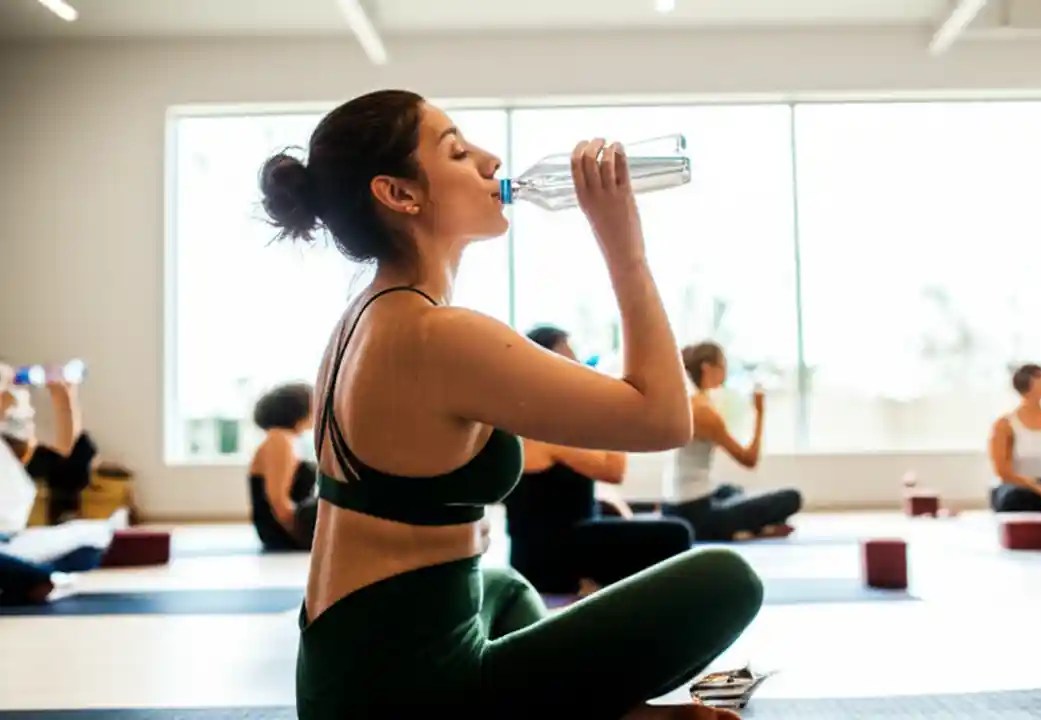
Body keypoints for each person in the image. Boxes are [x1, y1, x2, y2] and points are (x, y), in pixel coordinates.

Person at [259, 90, 759, 718]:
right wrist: (625, 250)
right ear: (400, 194)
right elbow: (663, 418)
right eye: (460, 152)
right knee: (727, 579)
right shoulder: (437, 334)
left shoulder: (365, 316)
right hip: (410, 697)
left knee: (501, 586)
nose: (493, 160)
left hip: (342, 670)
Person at [504, 325, 695, 596]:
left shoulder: (539, 421)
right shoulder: (542, 429)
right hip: (548, 562)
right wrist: (620, 404)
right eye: (570, 358)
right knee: (677, 533)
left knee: (630, 521)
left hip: (554, 546)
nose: (579, 366)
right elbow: (613, 471)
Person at [662, 341, 802, 542]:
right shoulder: (704, 412)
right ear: (707, 368)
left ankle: (749, 527)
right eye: (723, 365)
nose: (726, 372)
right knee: (792, 498)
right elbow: (749, 460)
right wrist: (760, 413)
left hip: (673, 508)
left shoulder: (688, 402)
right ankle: (751, 529)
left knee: (732, 491)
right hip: (695, 515)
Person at [1, 362, 97, 525]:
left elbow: (65, 450)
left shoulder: (14, 453)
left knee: (82, 449)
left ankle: (65, 516)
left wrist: (64, 394)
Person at [248, 382, 319, 552]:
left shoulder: (287, 439)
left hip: (288, 526)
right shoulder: (280, 440)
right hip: (283, 532)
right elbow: (279, 501)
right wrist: (308, 538)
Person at [988, 364, 1041, 514]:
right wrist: (1039, 489)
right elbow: (1003, 471)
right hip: (1018, 486)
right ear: (1029, 382)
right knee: (1018, 498)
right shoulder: (1005, 424)